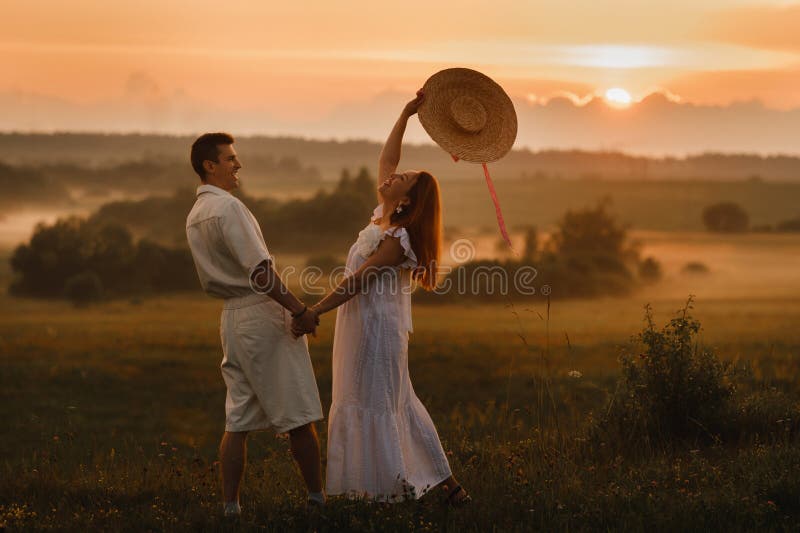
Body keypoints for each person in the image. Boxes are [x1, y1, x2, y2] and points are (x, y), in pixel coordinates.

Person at [296, 92, 471, 505]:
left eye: (403, 179)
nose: (392, 176)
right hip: (361, 326)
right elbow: (386, 162)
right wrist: (405, 115)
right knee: (377, 401)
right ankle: (400, 489)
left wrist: (314, 311)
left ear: (407, 199)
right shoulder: (382, 217)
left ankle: (394, 494)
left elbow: (358, 280)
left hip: (377, 331)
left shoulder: (398, 238)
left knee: (381, 404)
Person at [185, 132, 325, 517]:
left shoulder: (195, 215)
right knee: (299, 413)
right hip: (260, 314)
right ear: (209, 166)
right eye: (230, 159)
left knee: (238, 418)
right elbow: (261, 273)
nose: (238, 164)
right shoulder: (229, 209)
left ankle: (231, 508)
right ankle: (317, 501)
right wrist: (299, 310)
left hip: (230, 319)